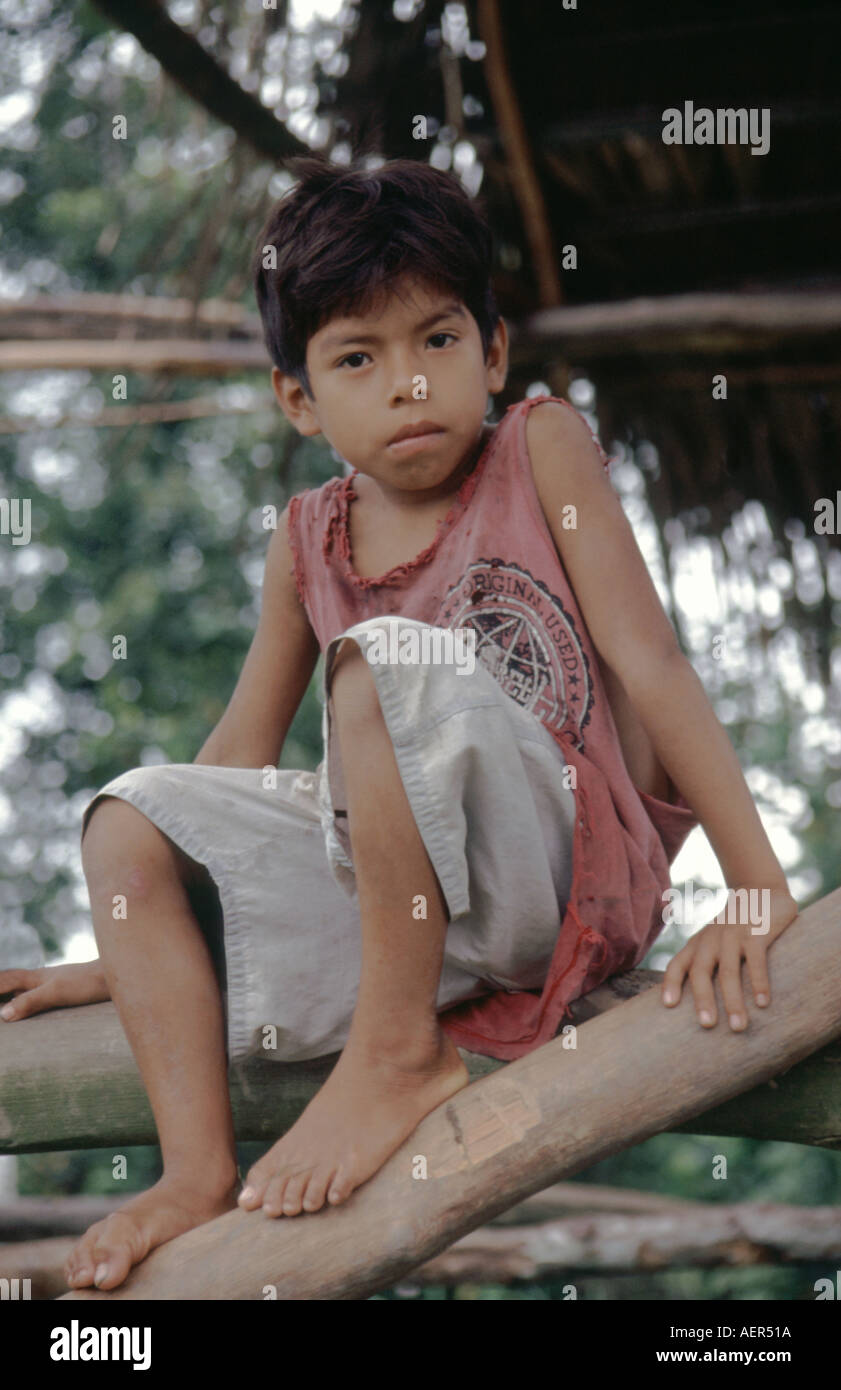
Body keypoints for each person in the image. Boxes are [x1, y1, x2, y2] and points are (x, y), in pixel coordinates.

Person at [0, 157, 799, 1293]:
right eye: (358, 359)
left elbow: (653, 663)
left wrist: (755, 890)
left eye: (436, 342)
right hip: (397, 919)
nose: (408, 384)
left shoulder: (539, 449)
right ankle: (191, 1170)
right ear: (298, 398)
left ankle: (395, 1057)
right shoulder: (305, 538)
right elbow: (228, 773)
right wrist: (123, 944)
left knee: (375, 671)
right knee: (130, 814)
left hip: (558, 875)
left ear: (494, 351)